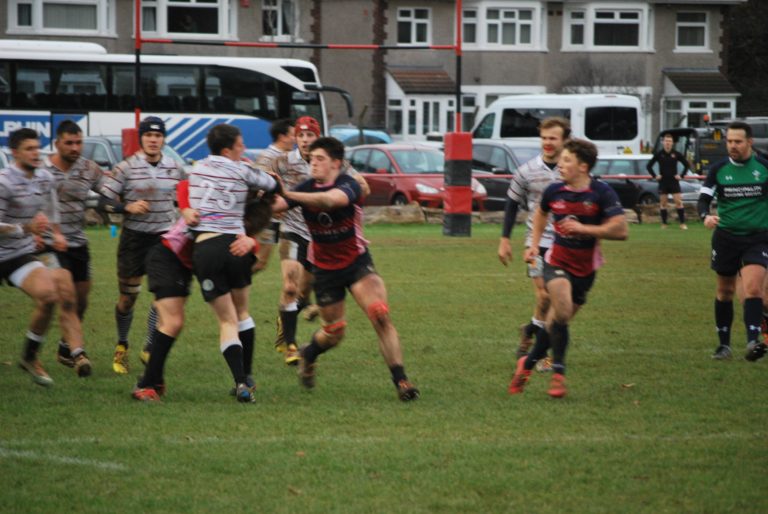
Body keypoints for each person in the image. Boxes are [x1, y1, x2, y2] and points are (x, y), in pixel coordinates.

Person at [272, 137, 419, 402]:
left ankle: (401, 380)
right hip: (325, 270)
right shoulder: (305, 187)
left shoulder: (347, 184)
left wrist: (288, 194)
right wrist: (257, 193)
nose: (313, 163)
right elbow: (276, 206)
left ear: (336, 163)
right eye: (312, 159)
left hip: (356, 262)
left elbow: (330, 201)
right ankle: (309, 353)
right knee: (334, 332)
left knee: (380, 315)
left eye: (320, 159)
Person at [508, 139, 628, 398]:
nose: (560, 165)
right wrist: (534, 244)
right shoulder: (554, 191)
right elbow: (540, 213)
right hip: (556, 261)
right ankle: (559, 375)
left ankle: (526, 364)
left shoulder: (601, 193)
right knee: (560, 309)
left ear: (583, 167)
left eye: (566, 161)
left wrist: (586, 229)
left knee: (554, 324)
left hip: (586, 268)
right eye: (560, 160)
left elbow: (621, 229)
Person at [188, 123, 279, 403]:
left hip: (205, 248)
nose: (243, 150)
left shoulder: (196, 168)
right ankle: (247, 378)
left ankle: (240, 381)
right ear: (228, 150)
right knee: (242, 314)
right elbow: (273, 185)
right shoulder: (242, 169)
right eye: (240, 146)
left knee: (226, 321)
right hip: (237, 246)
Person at [100, 117, 184, 374]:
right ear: (141, 138)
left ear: (163, 139)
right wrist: (127, 207)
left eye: (158, 136)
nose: (153, 140)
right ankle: (122, 344)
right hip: (134, 239)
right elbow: (103, 198)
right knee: (128, 298)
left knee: (163, 297)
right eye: (148, 135)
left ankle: (149, 345)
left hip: (164, 238)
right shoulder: (126, 167)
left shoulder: (175, 167)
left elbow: (186, 195)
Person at [498, 117, 570, 370]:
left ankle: (531, 329)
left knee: (552, 302)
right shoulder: (526, 171)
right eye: (544, 138)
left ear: (564, 141)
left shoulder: (571, 171)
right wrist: (504, 240)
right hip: (535, 243)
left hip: (565, 245)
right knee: (544, 294)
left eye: (553, 138)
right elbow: (511, 205)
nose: (548, 143)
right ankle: (543, 354)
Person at [698, 121, 768, 361]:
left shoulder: (763, 168)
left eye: (738, 141)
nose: (733, 146)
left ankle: (752, 342)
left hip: (758, 238)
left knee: (753, 288)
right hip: (726, 238)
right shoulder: (718, 170)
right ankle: (724, 345)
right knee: (724, 291)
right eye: (729, 141)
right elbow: (704, 199)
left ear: (749, 142)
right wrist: (705, 216)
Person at [0, 129, 66, 386]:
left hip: (18, 253)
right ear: (15, 152)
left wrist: (53, 232)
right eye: (29, 149)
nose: (36, 153)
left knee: (49, 296)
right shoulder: (4, 181)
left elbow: (50, 209)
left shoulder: (44, 178)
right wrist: (25, 229)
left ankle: (29, 356)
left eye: (37, 148)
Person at [43, 120, 104, 373]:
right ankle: (80, 356)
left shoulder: (89, 169)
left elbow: (110, 190)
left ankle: (64, 347)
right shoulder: (42, 170)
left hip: (78, 243)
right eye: (69, 143)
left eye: (78, 142)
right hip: (49, 244)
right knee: (67, 296)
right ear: (57, 144)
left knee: (81, 301)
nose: (75, 148)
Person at [251, 118, 296, 275]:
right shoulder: (269, 157)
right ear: (282, 136)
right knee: (259, 261)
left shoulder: (287, 156)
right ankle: (232, 283)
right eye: (293, 134)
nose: (296, 138)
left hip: (281, 219)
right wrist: (271, 205)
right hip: (268, 219)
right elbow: (257, 186)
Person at [646, 132, 691, 229]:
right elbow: (649, 166)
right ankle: (664, 224)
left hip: (673, 181)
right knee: (663, 203)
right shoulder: (659, 154)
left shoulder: (676, 154)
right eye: (666, 141)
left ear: (672, 143)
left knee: (678, 202)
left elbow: (687, 165)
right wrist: (655, 175)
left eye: (670, 141)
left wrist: (681, 175)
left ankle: (682, 223)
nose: (668, 143)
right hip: (663, 182)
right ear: (663, 142)